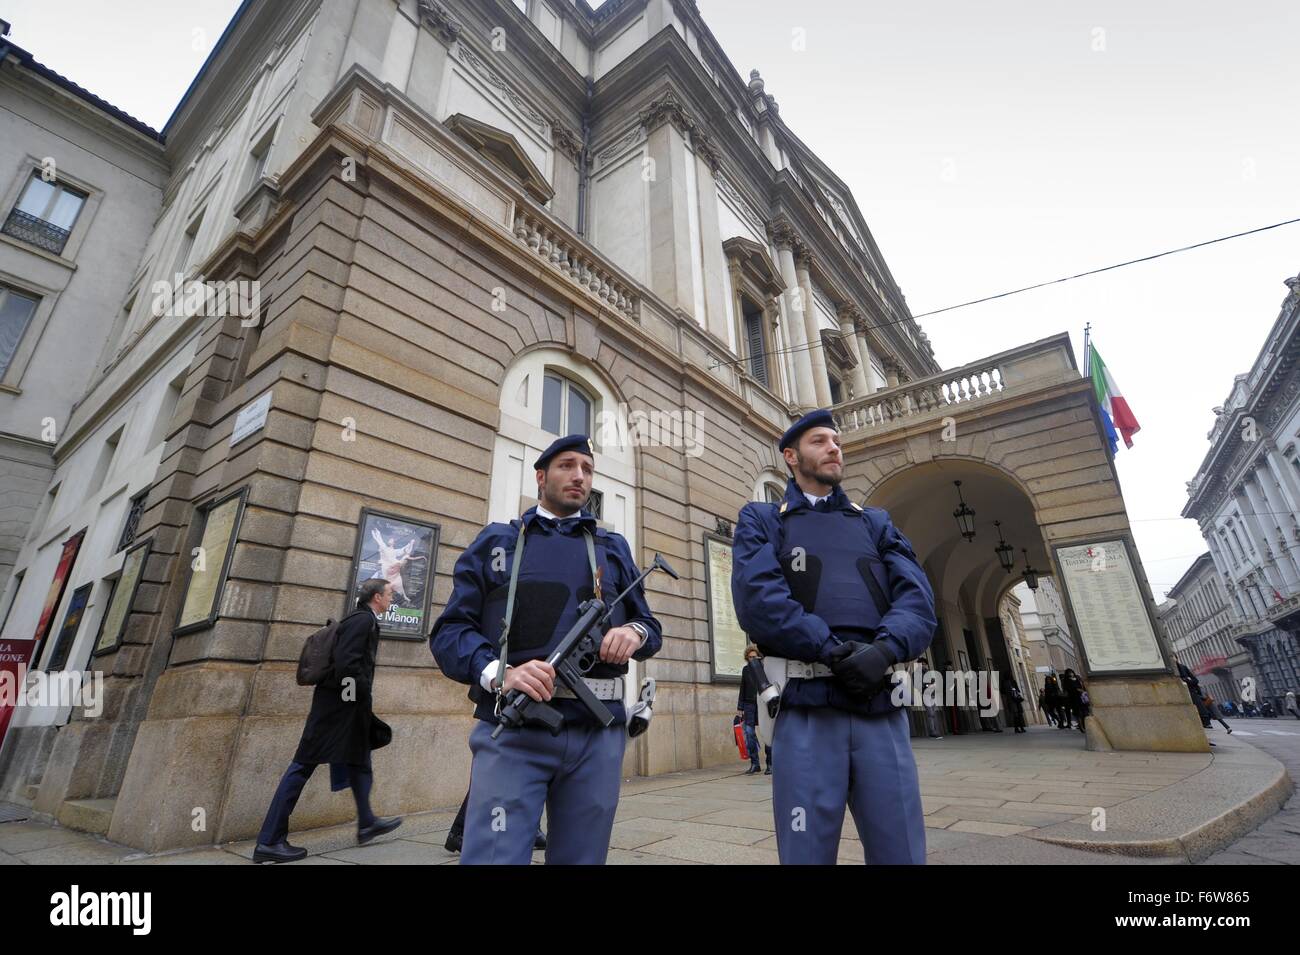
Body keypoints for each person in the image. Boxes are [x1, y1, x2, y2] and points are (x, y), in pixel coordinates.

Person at [430, 434, 662, 865]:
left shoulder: (613, 549)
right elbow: (449, 632)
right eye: (567, 465)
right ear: (541, 476)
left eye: (588, 469)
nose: (579, 476)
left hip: (598, 735)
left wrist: (634, 632)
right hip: (515, 731)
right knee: (492, 856)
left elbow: (650, 625)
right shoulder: (497, 542)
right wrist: (500, 672)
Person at [731, 409, 937, 865]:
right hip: (805, 708)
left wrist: (885, 649)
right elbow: (759, 600)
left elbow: (917, 599)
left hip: (879, 708)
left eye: (836, 441)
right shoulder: (764, 519)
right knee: (805, 852)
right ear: (790, 456)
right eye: (819, 441)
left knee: (902, 849)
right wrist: (830, 649)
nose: (833, 448)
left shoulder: (875, 523)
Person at [254, 578, 402, 863]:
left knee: (359, 758)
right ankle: (269, 840)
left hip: (347, 707)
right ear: (376, 597)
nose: (391, 599)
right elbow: (347, 665)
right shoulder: (362, 622)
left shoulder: (362, 620)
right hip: (338, 709)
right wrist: (353, 699)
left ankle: (367, 822)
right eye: (389, 594)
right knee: (303, 765)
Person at [736, 644, 773, 774]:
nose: (752, 659)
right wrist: (740, 707)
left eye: (755, 657)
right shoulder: (746, 670)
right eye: (750, 657)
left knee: (767, 733)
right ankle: (755, 763)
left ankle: (770, 764)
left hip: (762, 703)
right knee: (749, 733)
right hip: (749, 705)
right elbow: (742, 688)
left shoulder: (765, 668)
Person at [1061, 667, 1089, 734]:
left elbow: (1081, 686)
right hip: (1074, 699)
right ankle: (1081, 727)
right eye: (1069, 673)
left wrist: (1082, 690)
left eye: (1071, 672)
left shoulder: (1077, 679)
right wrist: (1077, 689)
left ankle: (1085, 726)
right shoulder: (1067, 681)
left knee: (1085, 713)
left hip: (1081, 698)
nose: (1071, 674)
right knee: (1078, 714)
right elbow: (1069, 689)